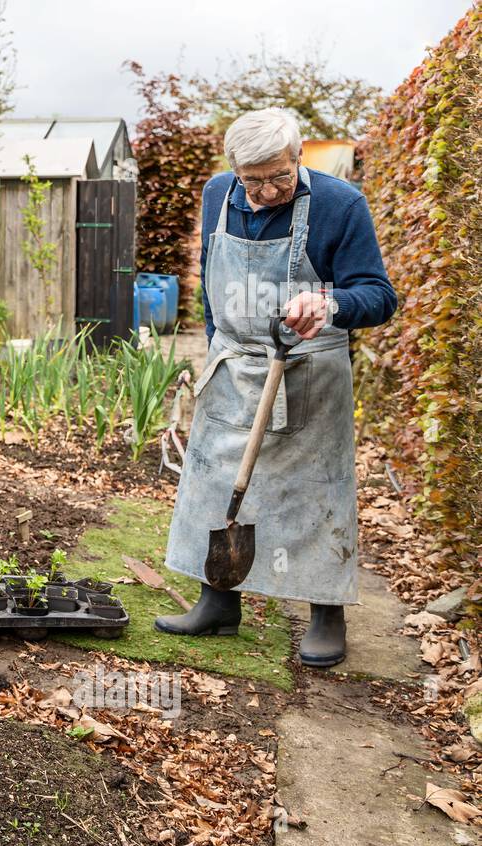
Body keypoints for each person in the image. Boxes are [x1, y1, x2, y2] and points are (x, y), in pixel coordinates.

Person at [158, 108, 397, 667]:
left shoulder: (341, 204)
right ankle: (217, 601)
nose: (265, 191)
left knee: (317, 494)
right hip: (234, 368)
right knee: (217, 486)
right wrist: (218, 344)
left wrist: (331, 303)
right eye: (253, 179)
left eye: (279, 177)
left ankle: (326, 614)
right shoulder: (218, 194)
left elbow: (379, 296)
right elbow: (212, 281)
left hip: (309, 373)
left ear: (298, 157)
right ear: (233, 169)